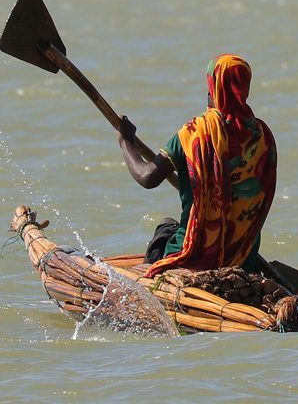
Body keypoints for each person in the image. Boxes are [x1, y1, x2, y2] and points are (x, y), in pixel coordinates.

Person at [117, 54, 278, 277]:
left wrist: (126, 142)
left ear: (213, 87)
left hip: (194, 256)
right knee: (169, 225)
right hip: (242, 260)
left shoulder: (196, 133)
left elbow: (147, 177)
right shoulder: (263, 136)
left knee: (164, 230)